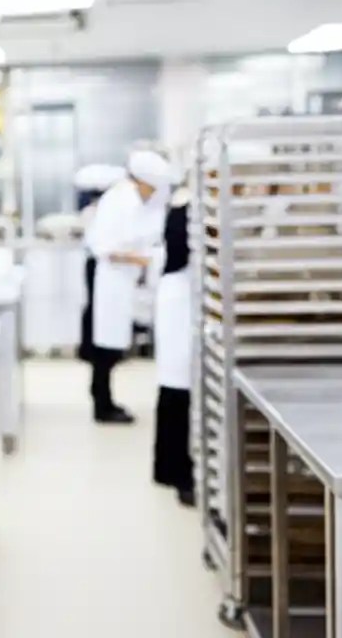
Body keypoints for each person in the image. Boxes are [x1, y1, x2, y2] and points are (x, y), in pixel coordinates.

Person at [81, 149, 171, 424]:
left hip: (120, 279)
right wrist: (146, 260)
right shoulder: (121, 200)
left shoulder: (129, 198)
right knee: (105, 346)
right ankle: (102, 405)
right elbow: (107, 248)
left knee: (111, 343)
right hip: (110, 277)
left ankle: (104, 400)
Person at [154, 184, 195, 506]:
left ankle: (172, 469)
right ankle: (177, 472)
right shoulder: (187, 211)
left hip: (180, 304)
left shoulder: (184, 207)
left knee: (175, 392)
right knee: (177, 392)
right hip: (181, 306)